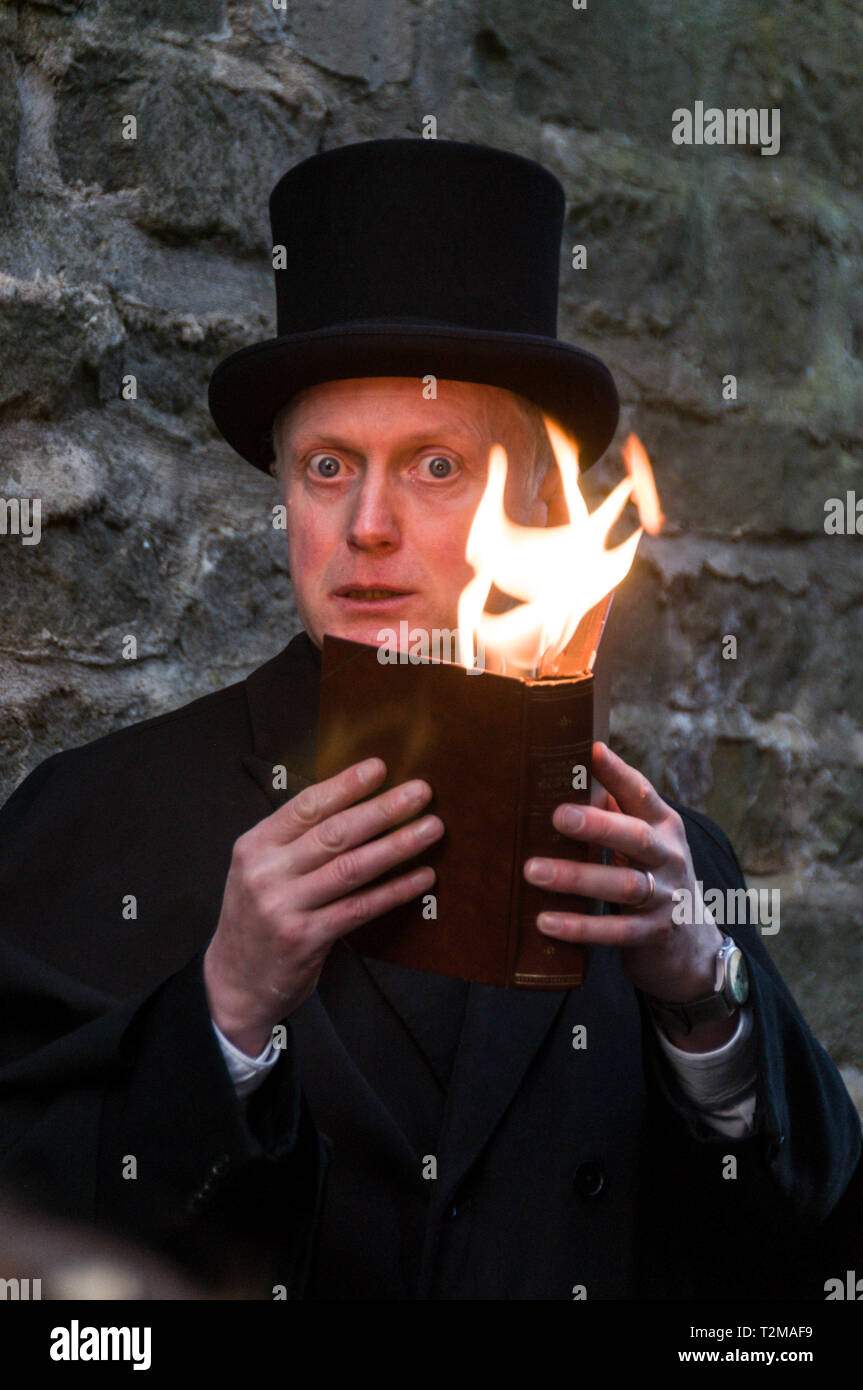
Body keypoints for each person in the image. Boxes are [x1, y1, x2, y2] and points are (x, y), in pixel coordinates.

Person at [0, 138, 858, 1300]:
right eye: (325, 467)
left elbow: (793, 1255)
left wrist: (702, 999)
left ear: (533, 506)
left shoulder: (653, 865)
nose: (365, 524)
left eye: (434, 466)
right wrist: (225, 1011)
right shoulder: (94, 823)